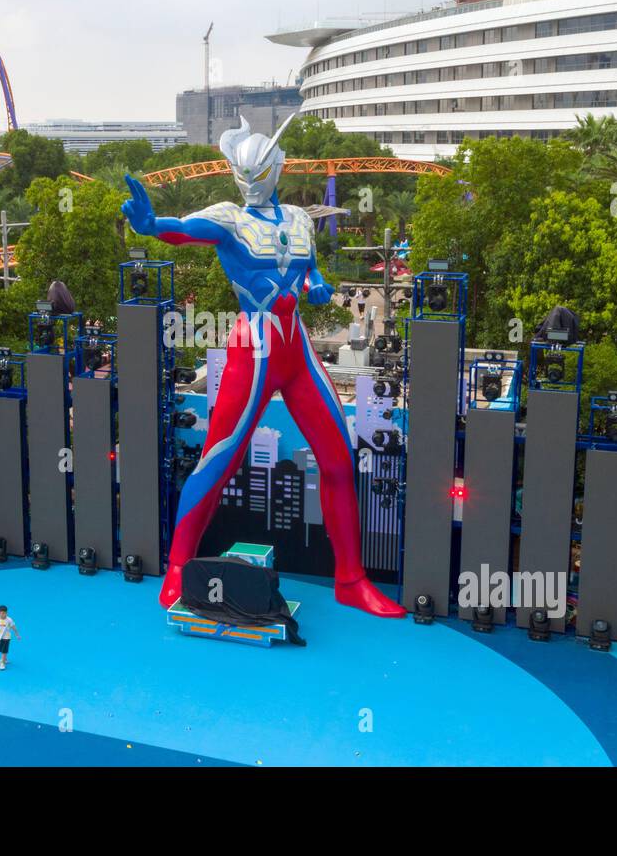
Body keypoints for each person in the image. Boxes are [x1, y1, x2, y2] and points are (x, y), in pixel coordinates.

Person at [120, 115, 405, 618]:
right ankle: (178, 568)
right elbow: (188, 230)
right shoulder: (230, 217)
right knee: (218, 459)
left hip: (296, 349)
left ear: (277, 168)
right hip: (252, 348)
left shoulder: (299, 218)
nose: (249, 183)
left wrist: (318, 285)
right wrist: (153, 226)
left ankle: (350, 578)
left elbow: (310, 270)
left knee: (339, 459)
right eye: (241, 174)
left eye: (258, 173)